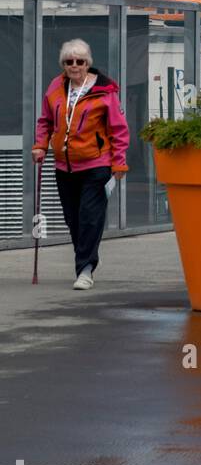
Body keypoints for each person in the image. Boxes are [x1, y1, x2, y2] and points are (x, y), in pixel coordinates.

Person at [32, 40, 129, 291]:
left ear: (88, 64)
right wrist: (41, 145)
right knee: (73, 219)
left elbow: (118, 129)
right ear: (63, 65)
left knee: (89, 218)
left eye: (80, 61)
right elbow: (45, 121)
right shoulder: (56, 87)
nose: (74, 66)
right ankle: (83, 262)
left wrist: (119, 163)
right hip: (64, 166)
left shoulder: (105, 92)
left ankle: (85, 269)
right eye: (69, 62)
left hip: (96, 164)